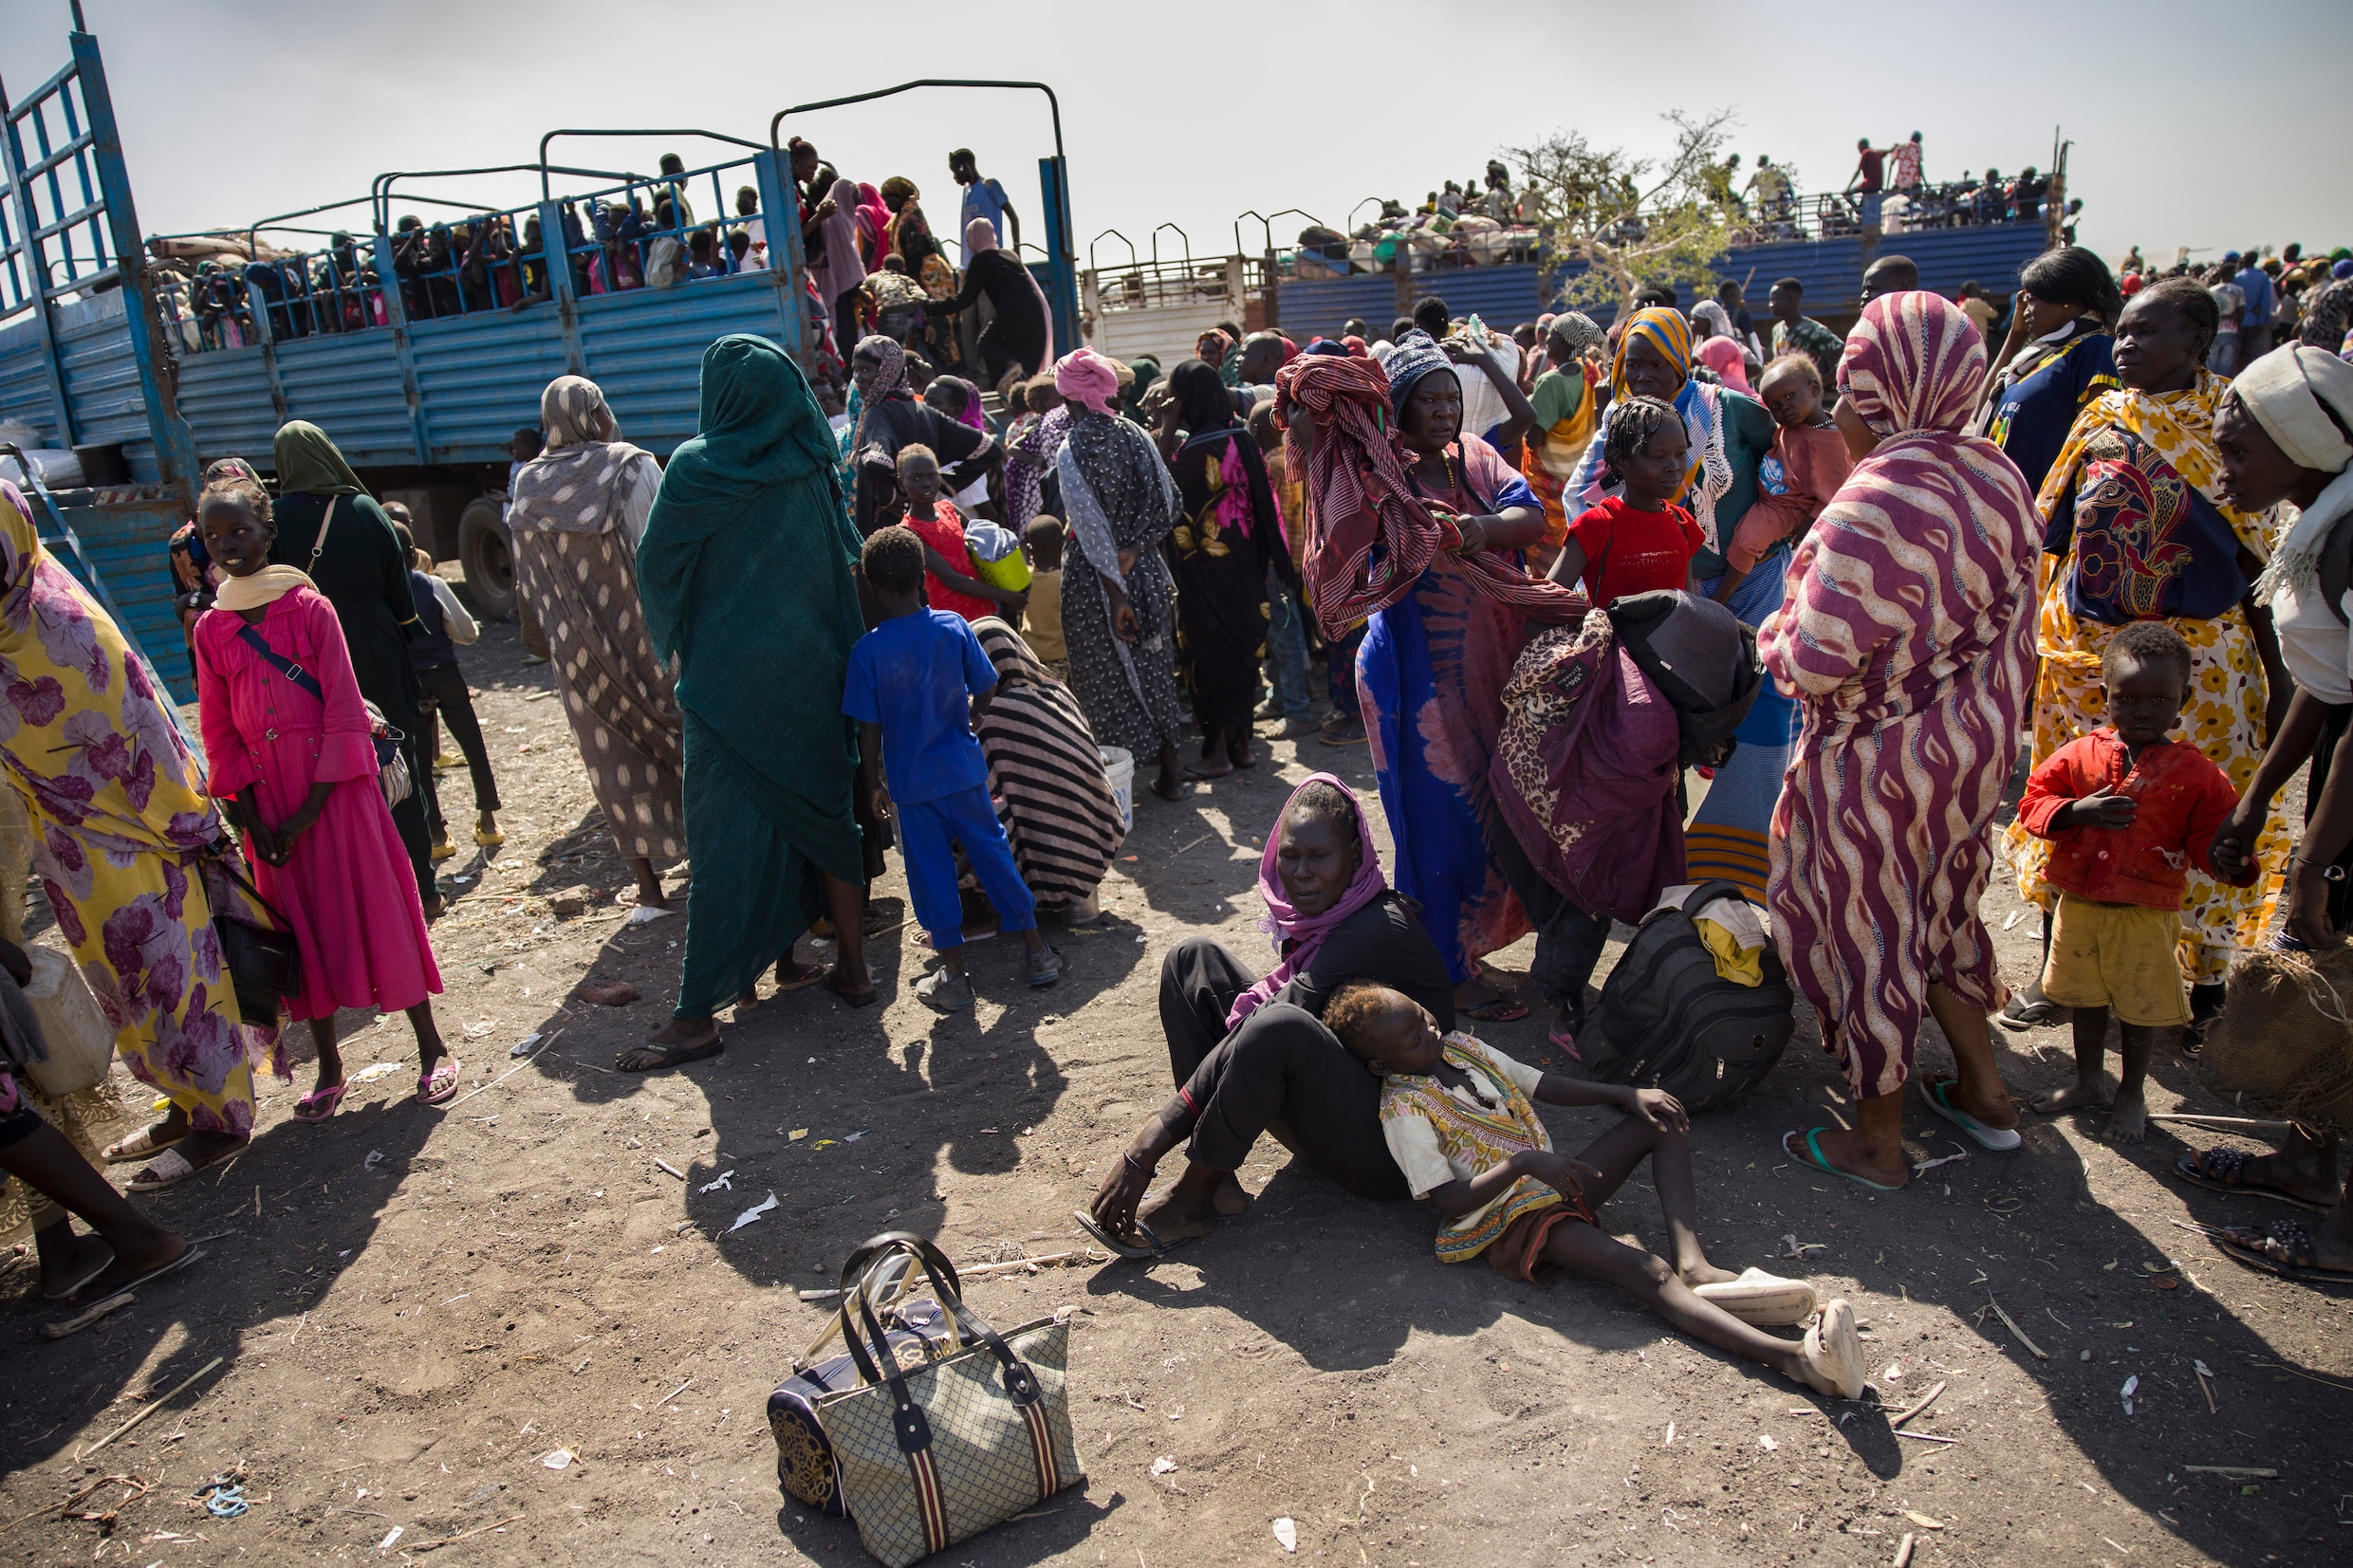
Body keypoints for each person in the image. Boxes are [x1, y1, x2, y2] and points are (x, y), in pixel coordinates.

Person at [1766, 291, 2041, 1191]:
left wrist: (1772, 633)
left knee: (1871, 928)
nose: (1841, 408)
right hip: (1973, 753)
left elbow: (1813, 660)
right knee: (1947, 905)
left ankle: (1877, 1140)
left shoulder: (1879, 495)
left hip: (1876, 766)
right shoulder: (1999, 475)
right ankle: (1986, 1092)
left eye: (1851, 388)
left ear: (1887, 390)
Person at [1325, 982, 1863, 1398]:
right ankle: (1797, 1360)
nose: (1431, 1033)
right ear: (1381, 1064)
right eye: (1415, 1039)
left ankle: (1695, 1266)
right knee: (1642, 1270)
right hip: (1510, 1221)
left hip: (1551, 1180)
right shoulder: (1402, 1108)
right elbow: (1448, 1201)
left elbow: (1540, 1083)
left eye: (1423, 1016)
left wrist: (1628, 1093)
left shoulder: (1464, 1047)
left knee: (1662, 1120)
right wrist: (1522, 1163)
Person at [1998, 278, 2288, 1042]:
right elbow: (2051, 530)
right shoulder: (2100, 414)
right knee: (2078, 819)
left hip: (2198, 671)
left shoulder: (2230, 421)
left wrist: (2283, 683)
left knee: (2192, 821)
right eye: (2122, 331)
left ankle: (2202, 981)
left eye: (2147, 332)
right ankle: (2065, 973)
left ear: (2198, 340)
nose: (2126, 345)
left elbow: (2261, 564)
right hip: (2086, 663)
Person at [1277, 334, 1582, 1021]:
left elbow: (1529, 515)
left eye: (1451, 396)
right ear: (1401, 408)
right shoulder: (1383, 472)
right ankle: (1446, 967)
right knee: (1434, 819)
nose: (1444, 410)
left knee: (1498, 809)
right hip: (1415, 675)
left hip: (1490, 665)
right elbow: (1313, 449)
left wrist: (1478, 529)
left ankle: (1471, 944)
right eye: (1428, 398)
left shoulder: (1476, 456)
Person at [0, 482, 278, 1191]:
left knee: (173, 978)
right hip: (70, 850)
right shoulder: (10, 622)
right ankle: (184, 1102)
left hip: (138, 838)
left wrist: (192, 822)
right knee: (123, 987)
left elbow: (140, 726)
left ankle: (222, 1118)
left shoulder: (53, 621)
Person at [631, 335, 878, 1066]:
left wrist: (676, 631)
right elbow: (845, 559)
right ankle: (851, 971)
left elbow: (655, 564)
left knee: (720, 842)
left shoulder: (697, 469)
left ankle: (695, 1016)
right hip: (810, 674)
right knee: (825, 816)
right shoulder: (809, 466)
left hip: (726, 686)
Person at [1084, 776, 1458, 1250]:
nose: (1300, 873)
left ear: (1357, 857)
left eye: (1318, 857)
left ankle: (1193, 1197)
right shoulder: (1331, 921)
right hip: (1348, 1107)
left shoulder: (1377, 927)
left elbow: (1270, 1024)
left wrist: (1144, 1151)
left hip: (1401, 1149)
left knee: (1277, 1026)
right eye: (1290, 855)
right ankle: (1218, 1181)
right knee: (1191, 960)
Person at [193, 478, 454, 1116]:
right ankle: (332, 1064)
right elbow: (219, 728)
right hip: (269, 803)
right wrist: (250, 814)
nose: (228, 545)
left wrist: (310, 806)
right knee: (300, 931)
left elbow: (342, 708)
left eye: (239, 531)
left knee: (376, 906)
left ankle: (431, 1046)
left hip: (333, 790)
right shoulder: (212, 628)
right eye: (214, 536)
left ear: (267, 533)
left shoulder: (312, 610)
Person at [2192, 343, 2353, 1280]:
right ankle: (2304, 1161)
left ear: (2298, 441)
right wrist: (2257, 802)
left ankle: (2341, 1241)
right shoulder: (2311, 525)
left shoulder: (2344, 540)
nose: (2223, 466)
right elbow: (2323, 691)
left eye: (2238, 447)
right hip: (2339, 772)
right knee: (2324, 986)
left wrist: (2315, 865)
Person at [1566, 307, 1784, 900]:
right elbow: (1579, 494)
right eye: (1631, 362)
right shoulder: (1620, 419)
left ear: (1682, 359)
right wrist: (1608, 540)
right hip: (1655, 605)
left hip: (1744, 583)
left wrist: (1760, 531)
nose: (1641, 374)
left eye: (1656, 362)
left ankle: (1727, 863)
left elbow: (1794, 454)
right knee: (1660, 736)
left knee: (1746, 714)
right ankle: (1658, 868)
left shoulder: (1726, 409)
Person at [2017, 623, 2242, 1143]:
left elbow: (2212, 841)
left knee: (2141, 1009)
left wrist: (2230, 859)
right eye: (2128, 698)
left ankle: (2132, 1092)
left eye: (2159, 698)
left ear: (2183, 699)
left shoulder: (2200, 775)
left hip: (2146, 913)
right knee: (2086, 999)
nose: (2143, 710)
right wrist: (2075, 811)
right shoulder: (2080, 754)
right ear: (2106, 697)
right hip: (2079, 904)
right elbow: (2032, 802)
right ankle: (2089, 1081)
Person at [845, 526, 1062, 1011]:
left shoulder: (869, 652)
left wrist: (873, 783)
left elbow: (868, 729)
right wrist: (974, 714)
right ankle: (1037, 953)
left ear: (874, 589)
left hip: (912, 786)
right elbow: (986, 684)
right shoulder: (953, 627)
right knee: (993, 855)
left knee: (930, 873)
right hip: (964, 773)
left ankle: (956, 975)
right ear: (922, 577)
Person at [508, 375, 684, 912]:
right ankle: (707, 852)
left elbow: (530, 580)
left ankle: (649, 889)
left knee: (612, 761)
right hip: (648, 638)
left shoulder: (528, 486)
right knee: (686, 740)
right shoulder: (630, 467)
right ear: (594, 415)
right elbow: (660, 549)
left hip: (579, 651)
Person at [267, 422, 440, 913]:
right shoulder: (366, 510)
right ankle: (423, 889)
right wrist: (403, 636)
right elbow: (402, 597)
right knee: (399, 762)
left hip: (310, 654)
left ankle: (364, 896)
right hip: (375, 644)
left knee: (335, 768)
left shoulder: (275, 519)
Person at [1051, 346, 1189, 804]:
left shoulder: (1071, 450)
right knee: (1155, 669)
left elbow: (1089, 530)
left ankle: (1115, 792)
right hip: (1145, 570)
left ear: (1070, 398)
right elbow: (1171, 503)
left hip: (1095, 586)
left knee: (1099, 682)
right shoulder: (1135, 434)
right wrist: (1135, 549)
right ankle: (1170, 775)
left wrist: (1116, 595)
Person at [1158, 360, 1291, 778]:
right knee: (1242, 653)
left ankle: (1215, 755)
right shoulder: (1243, 439)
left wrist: (1166, 427)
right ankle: (1241, 746)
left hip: (1206, 577)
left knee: (1206, 657)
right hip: (1247, 572)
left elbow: (1160, 488)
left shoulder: (1195, 451)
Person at [384, 510, 500, 862]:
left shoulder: (381, 593)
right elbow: (465, 631)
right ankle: (488, 822)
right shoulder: (430, 584)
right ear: (412, 550)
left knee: (419, 760)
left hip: (410, 682)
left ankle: (437, 833)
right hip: (446, 672)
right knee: (472, 744)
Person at [1973, 246, 2123, 496]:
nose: (2025, 310)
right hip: (2008, 507)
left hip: (2046, 511)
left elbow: (2097, 440)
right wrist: (2015, 336)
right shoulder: (2039, 356)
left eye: (2032, 299)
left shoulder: (2094, 349)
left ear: (2067, 299)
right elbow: (1980, 415)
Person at [1715, 354, 1856, 603]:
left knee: (1746, 540)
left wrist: (1808, 525)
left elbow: (1837, 494)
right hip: (1773, 494)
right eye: (1775, 405)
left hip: (1785, 506)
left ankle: (1721, 597)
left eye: (1790, 397)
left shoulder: (1828, 441)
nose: (1783, 408)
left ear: (1814, 389)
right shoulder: (1798, 424)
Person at [1549, 397, 1703, 604]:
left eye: (1680, 454)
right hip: (1612, 636)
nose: (1674, 466)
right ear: (1622, 461)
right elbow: (1547, 602)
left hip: (1673, 637)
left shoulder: (1683, 525)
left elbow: (1686, 605)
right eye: (1659, 457)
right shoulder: (1596, 526)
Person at [846, 336, 999, 535]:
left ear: (886, 371)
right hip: (925, 523)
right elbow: (989, 448)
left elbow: (876, 460)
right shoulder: (925, 412)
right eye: (855, 370)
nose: (858, 377)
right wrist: (940, 483)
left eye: (866, 369)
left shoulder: (879, 413)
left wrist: (890, 497)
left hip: (889, 528)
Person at [896, 444, 1022, 622]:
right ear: (902, 483)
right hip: (952, 620)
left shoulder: (949, 509)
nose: (926, 483)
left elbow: (984, 544)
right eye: (916, 478)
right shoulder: (909, 531)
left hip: (984, 607)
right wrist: (1008, 596)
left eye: (932, 475)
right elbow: (952, 580)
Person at [925, 218, 1051, 389]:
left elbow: (963, 300)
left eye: (969, 239)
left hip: (1012, 312)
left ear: (976, 237)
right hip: (1037, 316)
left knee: (986, 343)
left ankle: (1011, 367)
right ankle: (1020, 389)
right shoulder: (1009, 255)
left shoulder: (981, 261)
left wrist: (928, 306)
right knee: (1027, 366)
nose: (969, 244)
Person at [1522, 313, 1606, 553]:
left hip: (1550, 476)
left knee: (1547, 542)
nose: (1547, 342)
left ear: (1562, 340)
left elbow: (1533, 438)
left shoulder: (1551, 382)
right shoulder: (1589, 371)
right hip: (1579, 470)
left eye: (1550, 337)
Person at [1768, 277, 1844, 396]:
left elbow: (1845, 356)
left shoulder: (1814, 331)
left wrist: (1821, 382)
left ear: (1790, 298)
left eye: (1774, 300)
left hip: (1807, 397)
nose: (1770, 305)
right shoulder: (1777, 330)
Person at [1019, 515, 1067, 676]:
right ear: (1061, 547)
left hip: (1029, 651)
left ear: (1030, 549)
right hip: (1059, 654)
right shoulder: (1064, 581)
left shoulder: (1023, 578)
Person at [950, 148, 1017, 260]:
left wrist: (1017, 249)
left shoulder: (989, 186)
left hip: (992, 260)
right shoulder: (967, 192)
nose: (955, 177)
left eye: (957, 171)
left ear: (967, 166)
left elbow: (1013, 218)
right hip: (969, 264)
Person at [1689, 299, 1752, 393]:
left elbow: (1757, 367)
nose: (1691, 323)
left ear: (1707, 321)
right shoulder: (1697, 345)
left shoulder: (1726, 343)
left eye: (1695, 319)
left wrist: (1733, 383)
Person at [2234, 251, 2277, 376]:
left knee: (2238, 354)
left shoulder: (2238, 277)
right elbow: (2265, 300)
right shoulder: (2263, 277)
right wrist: (2261, 321)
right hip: (2256, 320)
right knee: (2252, 354)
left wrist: (2249, 307)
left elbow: (2237, 300)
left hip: (2241, 320)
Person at [1844, 138, 1888, 235]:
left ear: (1861, 147)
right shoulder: (1877, 153)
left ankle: (1858, 209)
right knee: (1862, 206)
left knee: (1848, 194)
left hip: (1869, 185)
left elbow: (1858, 171)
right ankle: (1859, 209)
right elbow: (1886, 152)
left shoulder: (1866, 153)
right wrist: (1892, 148)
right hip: (1878, 186)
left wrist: (1848, 187)